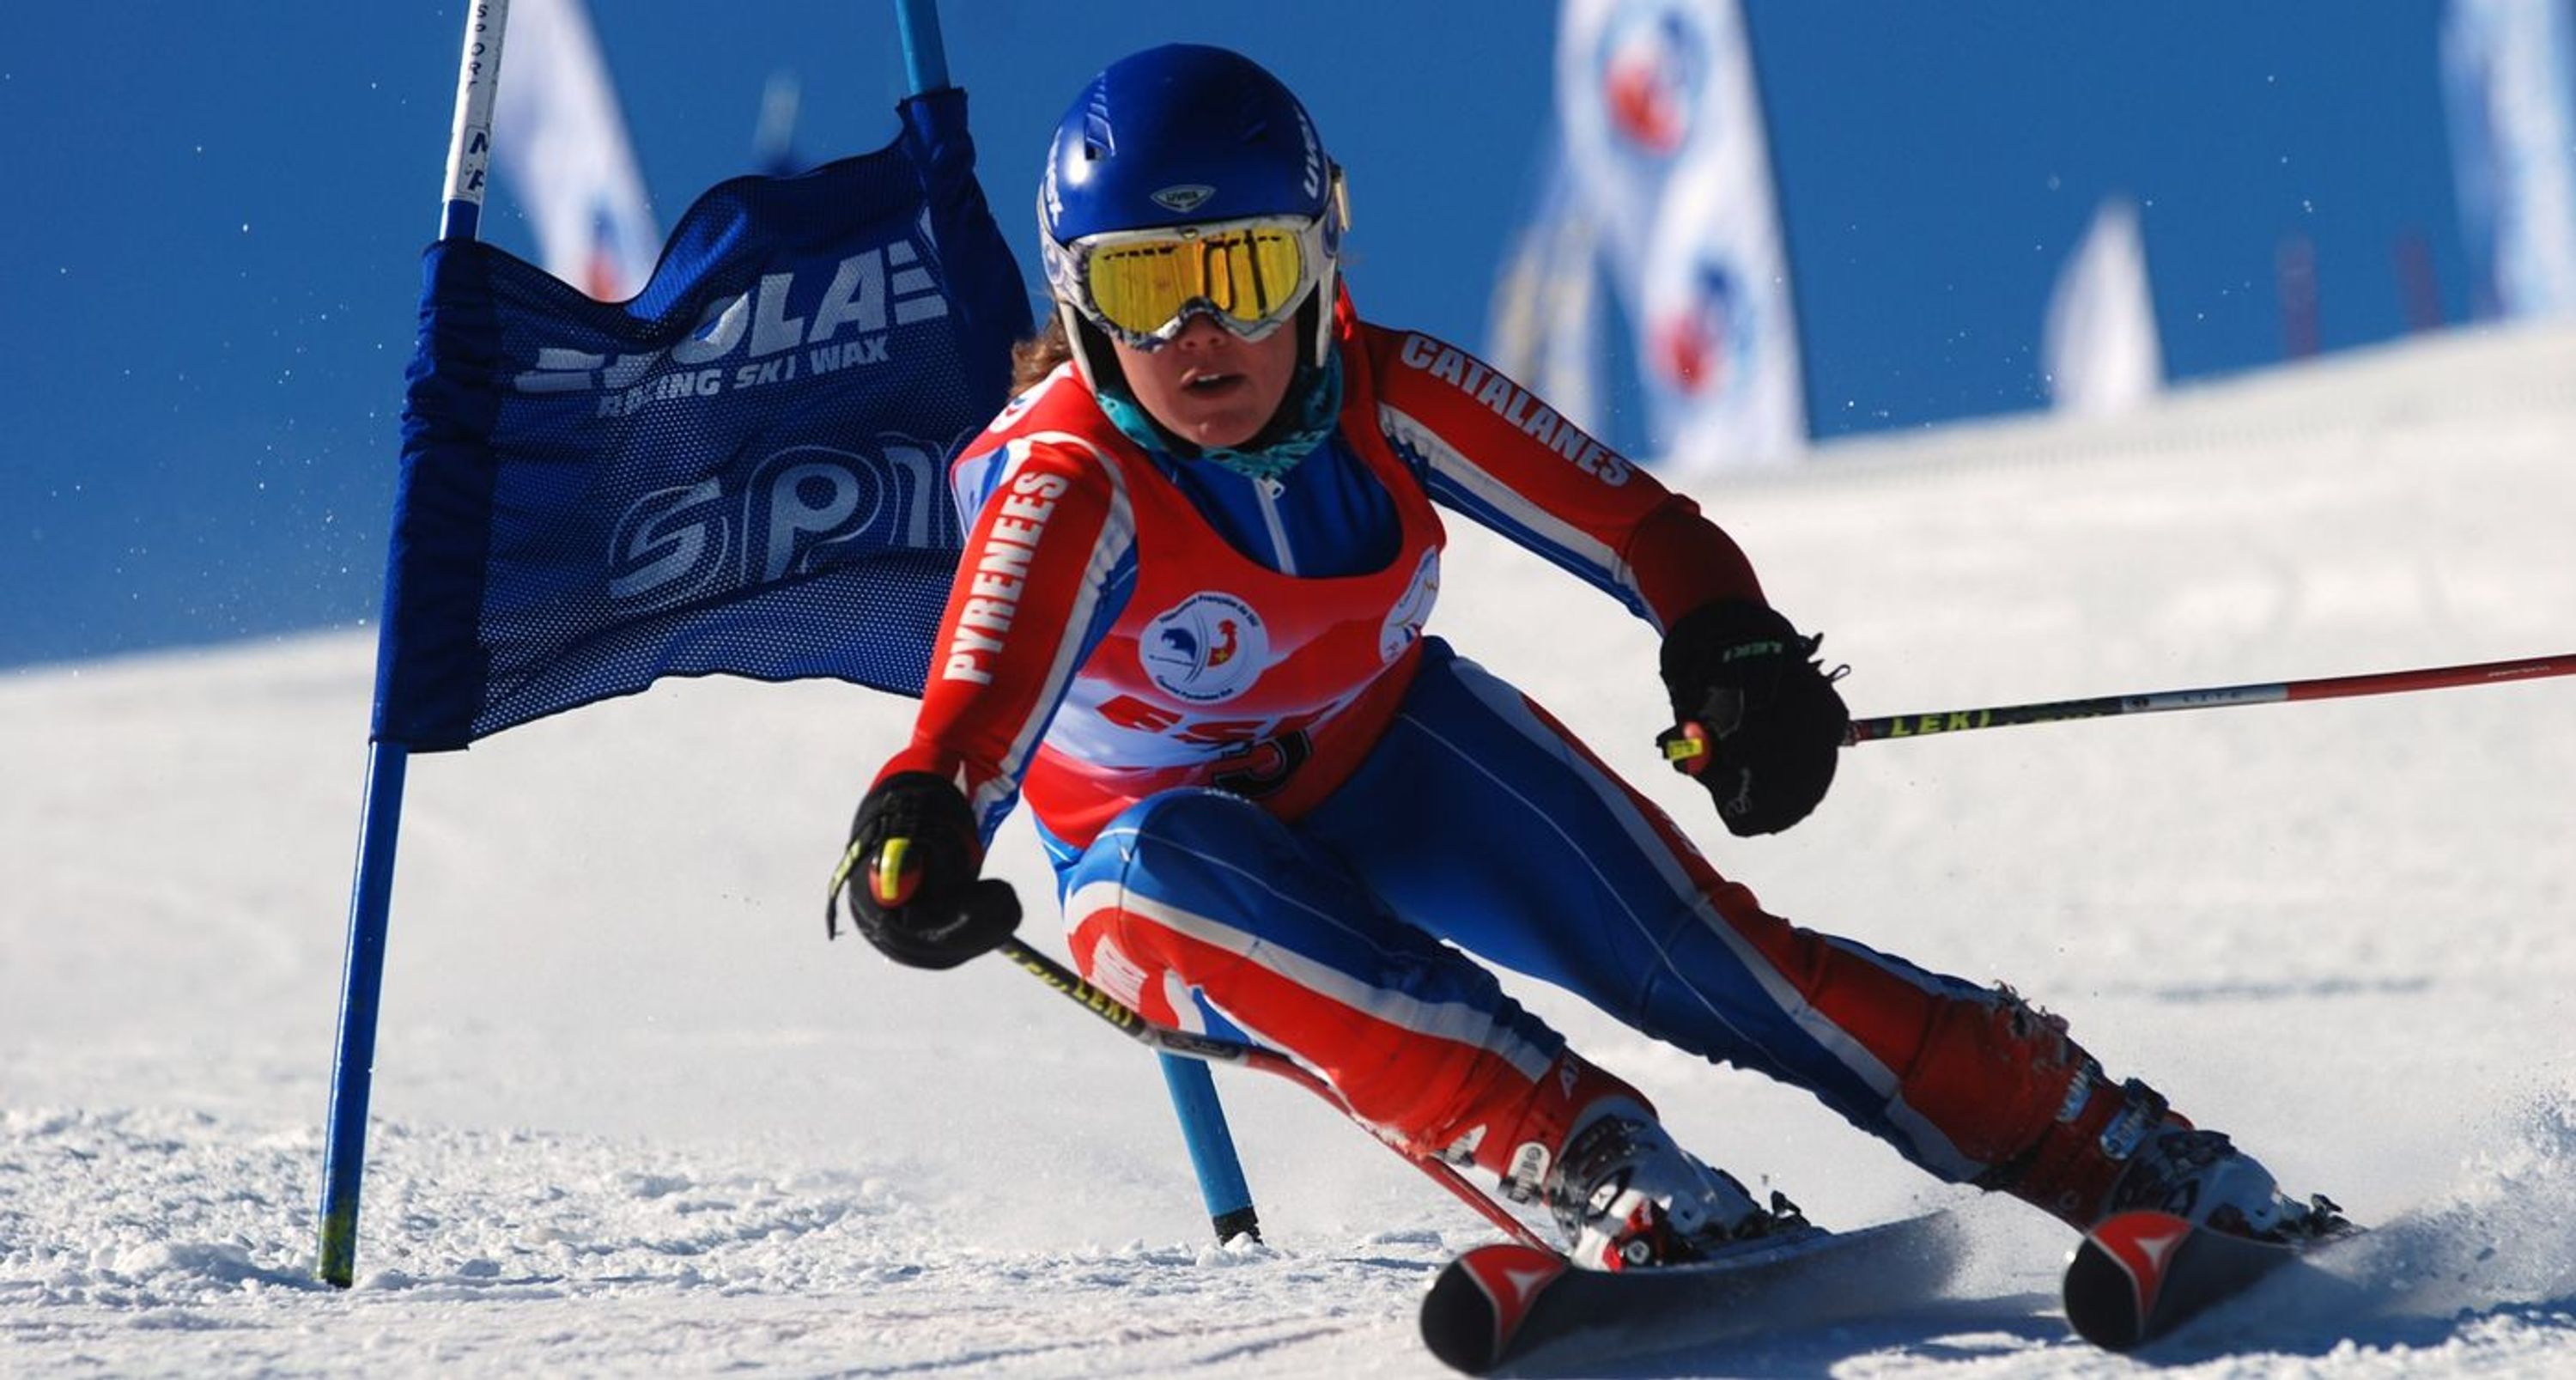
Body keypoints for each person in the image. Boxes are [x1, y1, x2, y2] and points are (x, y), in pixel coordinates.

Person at [831, 43, 2337, 1269]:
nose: (1201, 329)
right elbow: (978, 697)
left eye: (1242, 263)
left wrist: (1733, 654)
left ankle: (2110, 1147)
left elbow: (1638, 525)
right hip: (1157, 858)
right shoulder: (1071, 481)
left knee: (1719, 965)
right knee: (1183, 875)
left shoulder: (1392, 395)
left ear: (1317, 258)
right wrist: (926, 820)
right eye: (1147, 287)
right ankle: (1599, 1165)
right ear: (1082, 302)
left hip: (1389, 752)